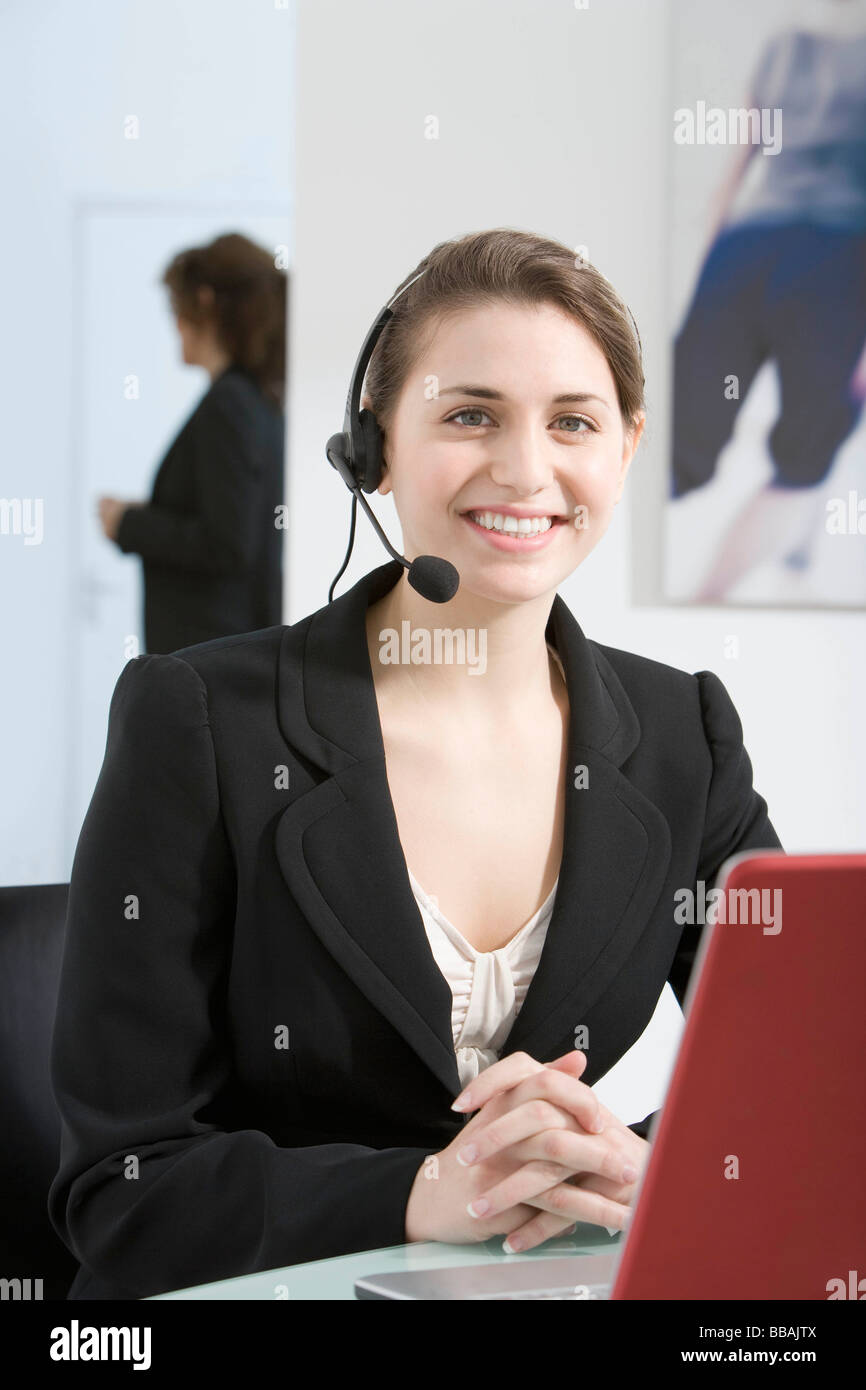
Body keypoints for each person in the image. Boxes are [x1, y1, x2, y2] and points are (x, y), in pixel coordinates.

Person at [48, 228, 782, 1300]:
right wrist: (419, 1193)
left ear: (623, 447)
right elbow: (120, 1185)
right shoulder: (198, 719)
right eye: (468, 414)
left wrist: (654, 1167)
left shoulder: (685, 734)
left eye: (571, 421)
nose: (524, 469)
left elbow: (804, 1080)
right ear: (373, 447)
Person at [671, 0, 866, 599]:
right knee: (807, 450)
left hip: (748, 246)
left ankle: (781, 560)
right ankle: (710, 595)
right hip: (835, 258)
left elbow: (736, 169)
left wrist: (708, 269)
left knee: (684, 444)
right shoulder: (791, 46)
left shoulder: (787, 49)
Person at [98, 232, 287, 653]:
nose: (174, 323)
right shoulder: (256, 400)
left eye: (175, 308)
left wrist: (127, 524)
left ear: (204, 303)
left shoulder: (230, 405)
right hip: (224, 655)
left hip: (205, 657)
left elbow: (226, 545)